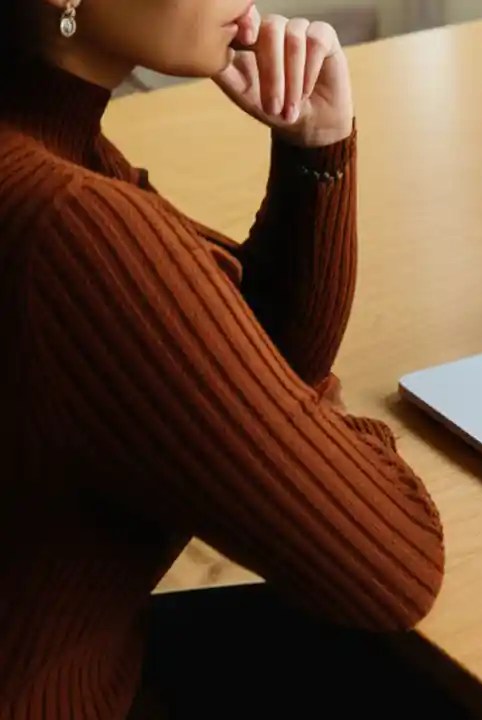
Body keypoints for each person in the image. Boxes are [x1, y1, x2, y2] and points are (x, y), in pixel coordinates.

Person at [0, 1, 448, 718]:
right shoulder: (70, 224)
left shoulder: (43, 138)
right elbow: (395, 567)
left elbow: (241, 358)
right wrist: (301, 422)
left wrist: (316, 148)